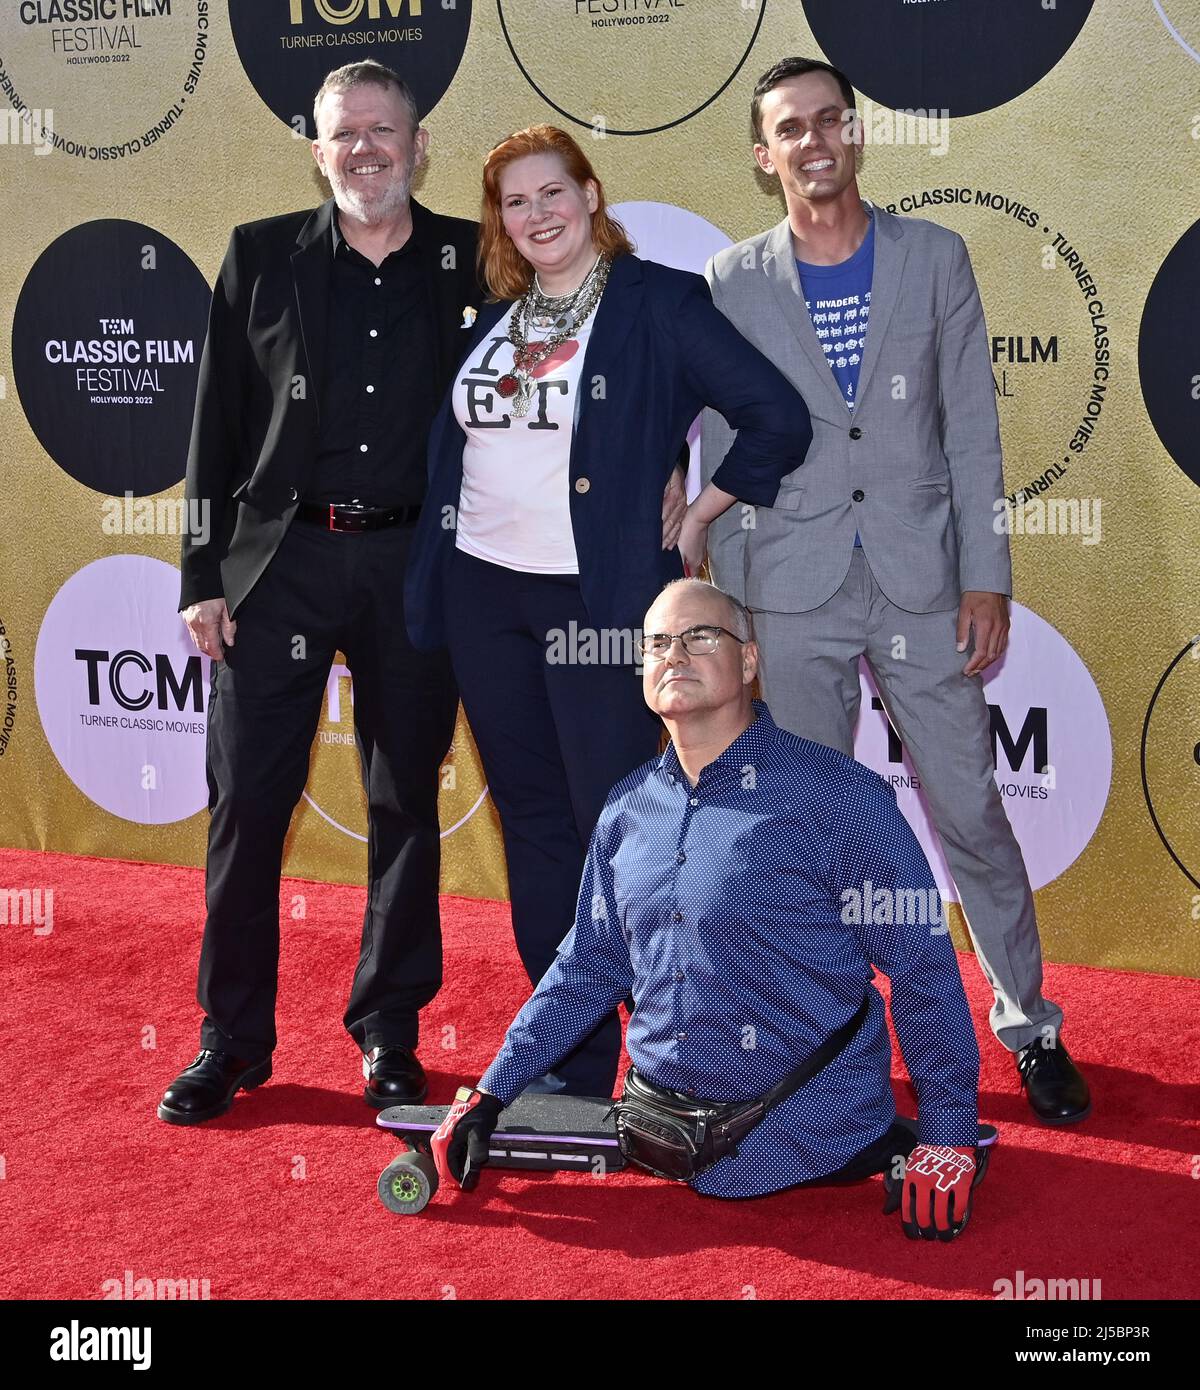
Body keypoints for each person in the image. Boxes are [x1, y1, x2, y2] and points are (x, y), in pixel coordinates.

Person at [700, 57, 1090, 1124]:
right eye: (791, 127)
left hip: (922, 583)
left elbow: (972, 429)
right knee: (806, 827)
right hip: (790, 587)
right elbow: (726, 448)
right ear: (762, 152)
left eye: (832, 119)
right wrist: (729, 609)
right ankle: (830, 1036)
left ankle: (1030, 1024)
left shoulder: (935, 258)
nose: (815, 139)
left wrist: (986, 576)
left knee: (970, 810)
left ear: (857, 133)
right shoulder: (731, 281)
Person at [404, 124, 812, 1100]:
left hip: (594, 607)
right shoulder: (491, 320)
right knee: (538, 827)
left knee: (620, 830)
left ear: (591, 196)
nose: (537, 213)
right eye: (515, 201)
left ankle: (686, 1053)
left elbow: (776, 414)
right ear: (498, 221)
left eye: (554, 192)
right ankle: (576, 1061)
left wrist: (701, 503)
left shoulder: (658, 302)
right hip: (481, 597)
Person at [431, 579, 987, 1241]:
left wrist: (949, 1133)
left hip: (812, 1143)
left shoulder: (841, 800)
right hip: (657, 1135)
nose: (675, 654)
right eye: (658, 643)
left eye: (700, 636)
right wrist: (492, 1091)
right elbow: (587, 969)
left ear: (749, 661)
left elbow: (921, 964)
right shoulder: (627, 808)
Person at [158, 61, 482, 1125]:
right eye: (346, 134)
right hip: (279, 568)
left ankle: (390, 1030)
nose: (366, 151)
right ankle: (232, 1039)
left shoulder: (467, 259)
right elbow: (214, 429)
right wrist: (203, 574)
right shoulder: (259, 255)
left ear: (419, 144)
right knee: (248, 809)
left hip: (417, 571)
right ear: (317, 147)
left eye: (385, 132)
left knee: (403, 807)